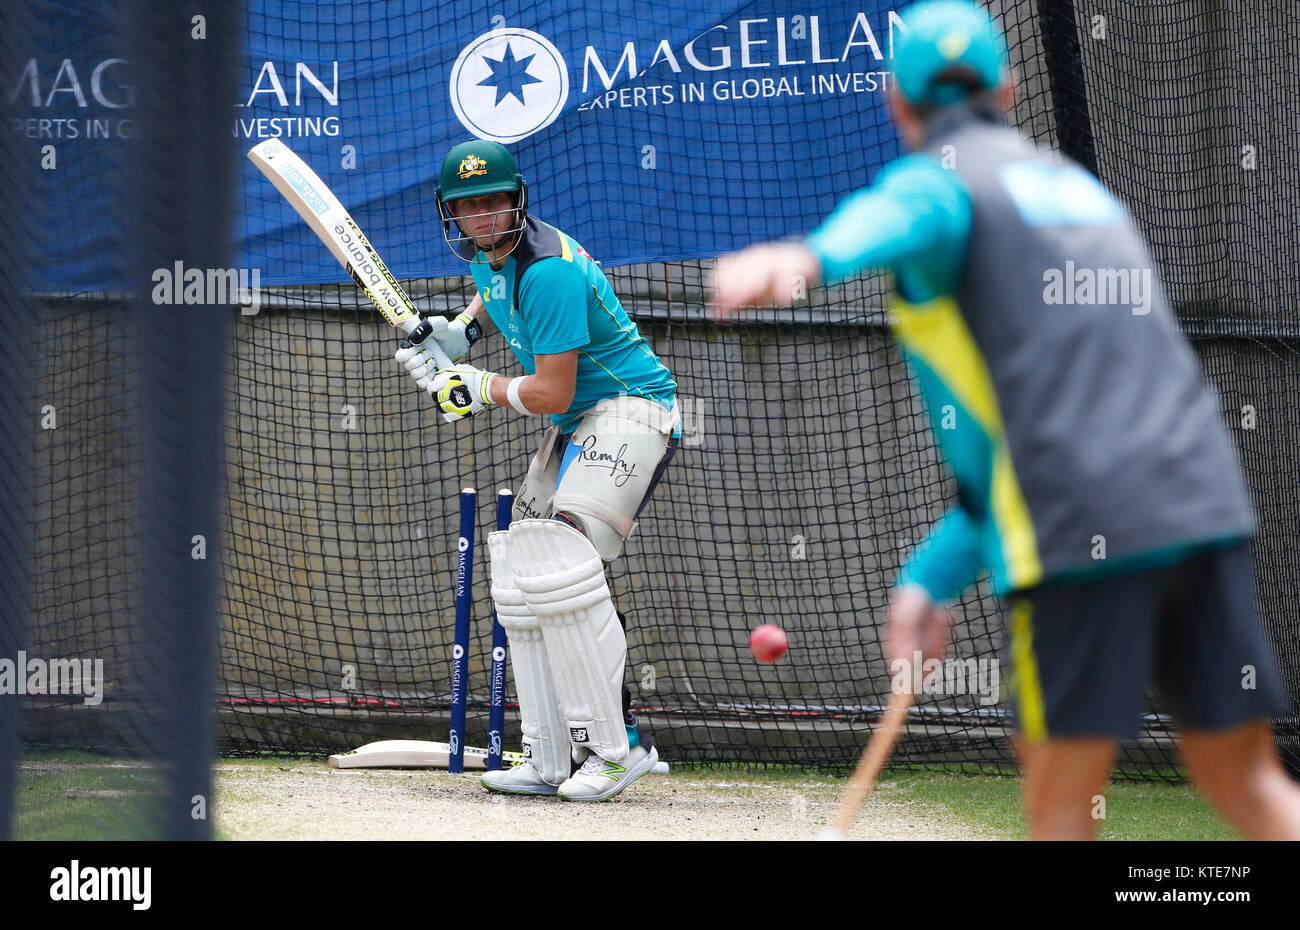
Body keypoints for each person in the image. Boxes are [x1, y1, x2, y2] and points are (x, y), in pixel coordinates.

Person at [710, 0, 1300, 839]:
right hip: (1199, 504)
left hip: (1075, 529)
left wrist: (806, 257)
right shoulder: (1079, 193)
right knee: (1252, 789)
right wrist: (930, 580)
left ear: (895, 102)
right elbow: (1046, 444)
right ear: (1011, 90)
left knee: (1061, 813)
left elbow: (907, 214)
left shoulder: (934, 179)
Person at [396, 139, 679, 801]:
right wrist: (457, 335)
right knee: (522, 577)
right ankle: (550, 758)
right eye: (470, 207)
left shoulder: (549, 271)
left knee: (562, 561)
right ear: (453, 217)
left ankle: (617, 750)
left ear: (517, 200)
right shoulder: (489, 261)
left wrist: (474, 384)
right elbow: (492, 295)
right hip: (576, 423)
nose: (485, 217)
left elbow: (550, 392)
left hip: (630, 411)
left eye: (495, 202)